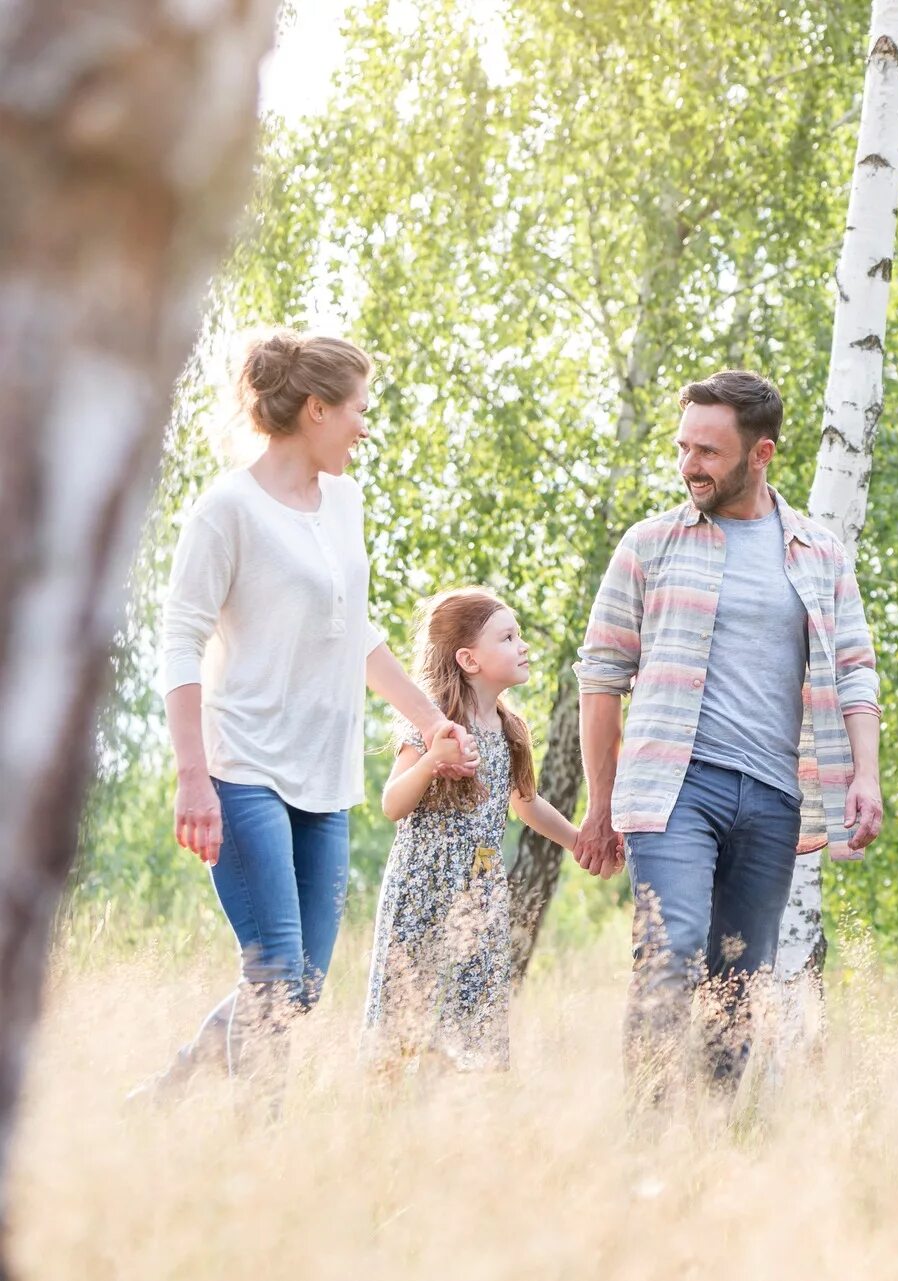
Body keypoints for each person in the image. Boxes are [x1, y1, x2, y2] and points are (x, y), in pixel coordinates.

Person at [142, 329, 476, 1103]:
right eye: (359, 409)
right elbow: (179, 642)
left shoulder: (345, 502)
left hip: (325, 776)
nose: (366, 425)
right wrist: (193, 778)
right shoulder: (226, 509)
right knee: (274, 969)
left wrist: (430, 721)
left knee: (303, 987)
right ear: (317, 409)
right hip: (242, 765)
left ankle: (175, 1089)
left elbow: (354, 629)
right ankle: (261, 1145)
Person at [573, 369, 884, 1098]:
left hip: (775, 795)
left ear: (761, 452)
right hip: (673, 786)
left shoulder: (819, 551)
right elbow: (601, 673)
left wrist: (865, 775)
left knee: (739, 978)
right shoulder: (649, 545)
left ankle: (710, 1144)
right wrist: (599, 801)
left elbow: (856, 668)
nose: (689, 466)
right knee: (672, 946)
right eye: (683, 448)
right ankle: (647, 1134)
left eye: (708, 451)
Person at [363, 587, 580, 1073]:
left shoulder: (510, 730)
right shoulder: (434, 725)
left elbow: (527, 806)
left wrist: (579, 840)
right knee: (406, 1009)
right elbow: (393, 803)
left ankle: (459, 1112)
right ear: (469, 658)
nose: (522, 645)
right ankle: (385, 1111)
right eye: (507, 637)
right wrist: (431, 764)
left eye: (520, 635)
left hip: (481, 892)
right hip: (423, 886)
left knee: (471, 1014)